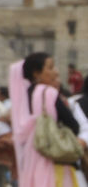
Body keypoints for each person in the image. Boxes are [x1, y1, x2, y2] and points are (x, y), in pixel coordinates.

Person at [12, 53, 85, 186]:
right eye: (50, 68)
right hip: (53, 160)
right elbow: (73, 125)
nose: (55, 72)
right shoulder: (48, 93)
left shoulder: (22, 96)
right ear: (36, 73)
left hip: (29, 162)